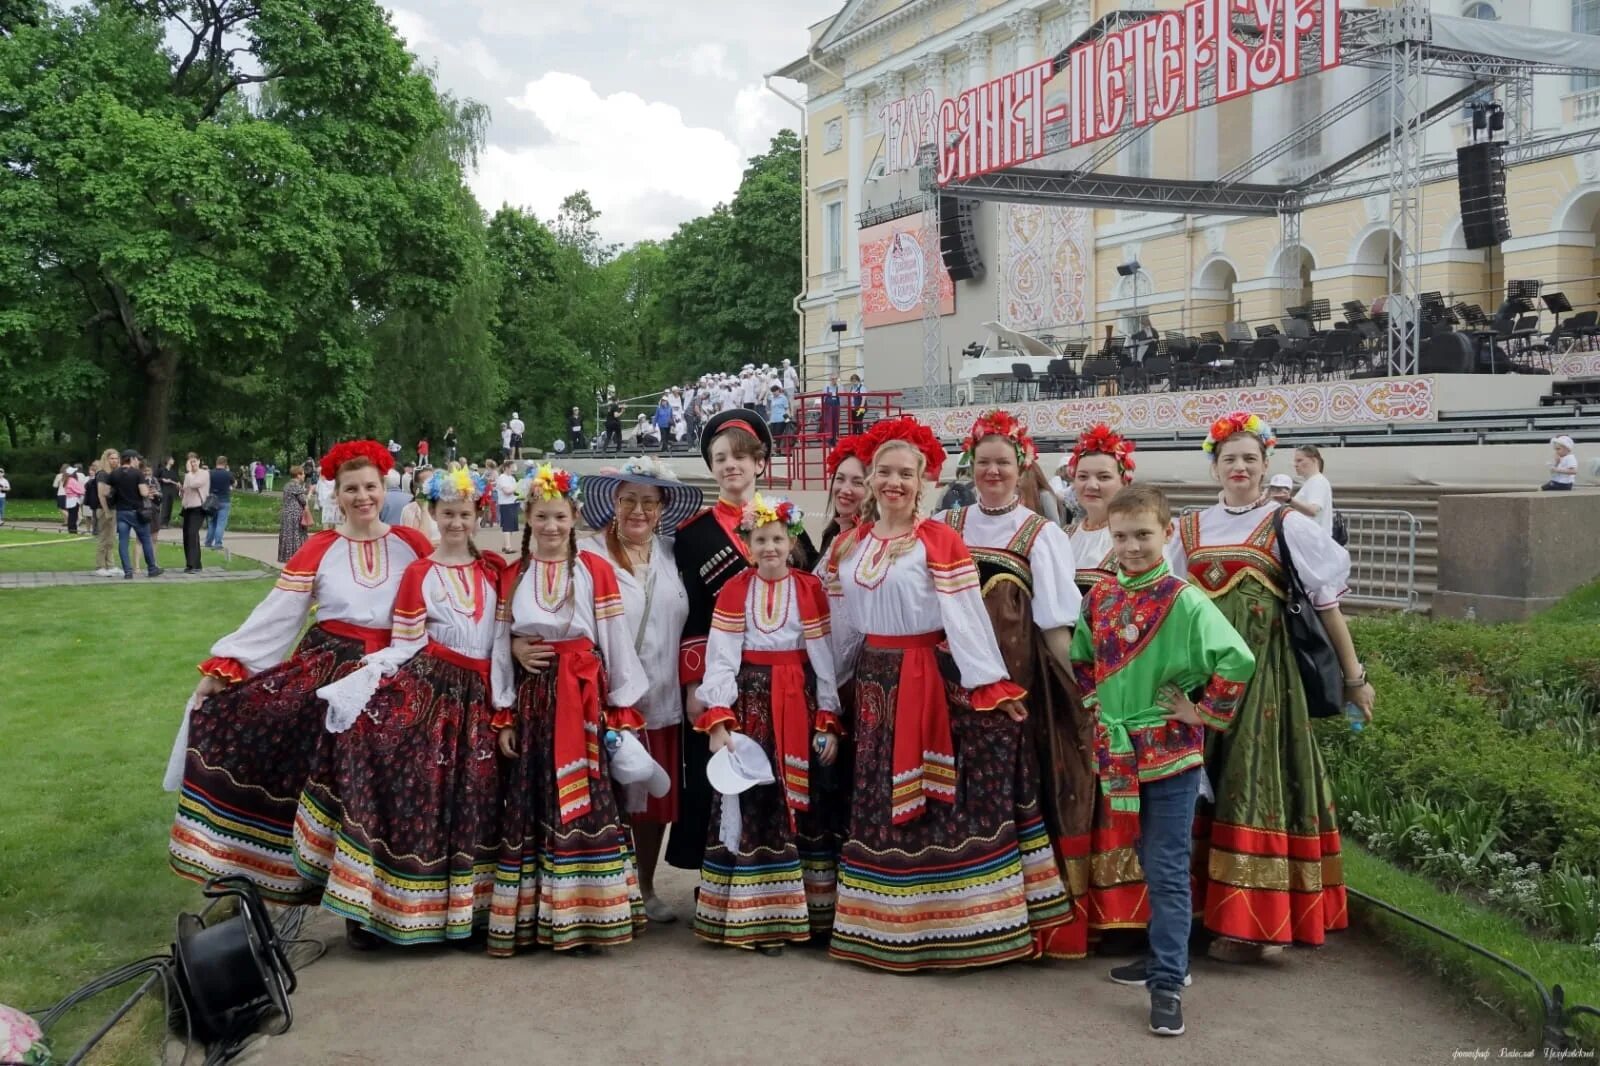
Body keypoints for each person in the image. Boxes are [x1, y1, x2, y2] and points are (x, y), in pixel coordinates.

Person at [823, 417, 1071, 971]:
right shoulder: (847, 547)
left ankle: (957, 926)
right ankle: (882, 927)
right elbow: (840, 627)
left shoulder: (940, 539)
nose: (893, 483)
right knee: (879, 795)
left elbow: (965, 619)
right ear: (868, 482)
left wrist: (989, 685)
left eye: (904, 474)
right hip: (873, 684)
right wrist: (827, 693)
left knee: (942, 799)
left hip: (931, 674)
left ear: (923, 480)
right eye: (882, 473)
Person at [167, 440, 434, 902]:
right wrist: (227, 666)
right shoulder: (320, 548)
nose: (362, 497)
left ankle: (383, 893)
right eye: (352, 488)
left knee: (388, 780)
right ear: (337, 493)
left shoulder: (411, 544)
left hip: (397, 669)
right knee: (308, 763)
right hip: (330, 668)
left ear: (383, 486)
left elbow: (447, 600)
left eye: (370, 486)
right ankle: (309, 876)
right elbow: (279, 614)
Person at [1171, 412, 1374, 960]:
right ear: (1214, 467)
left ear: (1266, 466)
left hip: (1264, 681)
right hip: (1198, 680)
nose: (1239, 467)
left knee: (1252, 784)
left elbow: (1327, 606)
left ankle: (1255, 924)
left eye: (1250, 458)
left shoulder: (1288, 524)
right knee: (1191, 786)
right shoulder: (1188, 530)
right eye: (1229, 458)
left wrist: (1355, 678)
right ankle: (1194, 912)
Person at [296, 469, 508, 949]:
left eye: (464, 514)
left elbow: (500, 641)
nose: (456, 523)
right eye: (447, 514)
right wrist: (363, 686)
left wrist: (505, 699)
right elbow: (405, 644)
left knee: (474, 801)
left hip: (482, 695)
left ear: (478, 517)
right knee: (420, 796)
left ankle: (468, 915)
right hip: (431, 691)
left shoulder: (493, 570)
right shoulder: (419, 572)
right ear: (433, 514)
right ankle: (387, 913)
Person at [1074, 485, 1256, 1038]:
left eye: (1143, 535)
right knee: (1145, 858)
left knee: (1169, 868)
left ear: (1167, 534)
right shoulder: (1101, 597)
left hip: (1171, 757)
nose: (1131, 546)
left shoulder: (1185, 599)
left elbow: (1238, 656)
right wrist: (1097, 711)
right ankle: (1163, 957)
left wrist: (1203, 712)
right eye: (1122, 536)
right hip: (1120, 753)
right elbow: (1083, 658)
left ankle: (1169, 983)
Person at [936, 410, 1096, 959]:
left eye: (1003, 462)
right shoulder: (949, 525)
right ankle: (954, 911)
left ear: (1022, 464)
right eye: (983, 462)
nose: (993, 471)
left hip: (1015, 685)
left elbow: (1055, 620)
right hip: (948, 685)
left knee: (1010, 795)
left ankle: (1016, 921)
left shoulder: (1040, 532)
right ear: (970, 465)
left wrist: (1078, 691)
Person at [490, 464, 651, 955]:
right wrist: (504, 709)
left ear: (574, 516)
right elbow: (500, 643)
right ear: (529, 519)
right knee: (537, 800)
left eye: (560, 517)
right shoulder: (514, 573)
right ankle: (541, 918)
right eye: (542, 517)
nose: (551, 527)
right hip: (536, 700)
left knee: (586, 801)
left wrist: (622, 706)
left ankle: (591, 916)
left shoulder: (596, 570)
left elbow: (617, 642)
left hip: (584, 702)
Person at [666, 410, 818, 875]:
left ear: (759, 463)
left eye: (740, 457)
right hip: (720, 680)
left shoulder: (786, 525)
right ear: (712, 467)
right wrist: (695, 685)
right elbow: (689, 611)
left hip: (782, 678)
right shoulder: (693, 535)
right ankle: (717, 876)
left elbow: (808, 596)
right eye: (720, 458)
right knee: (717, 774)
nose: (731, 466)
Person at [693, 495, 841, 952]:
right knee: (753, 798)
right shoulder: (735, 590)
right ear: (748, 543)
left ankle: (807, 915)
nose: (771, 547)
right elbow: (720, 658)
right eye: (761, 539)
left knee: (801, 800)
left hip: (798, 701)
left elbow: (823, 656)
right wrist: (719, 719)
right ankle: (755, 917)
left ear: (791, 539)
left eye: (778, 538)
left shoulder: (809, 588)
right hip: (752, 706)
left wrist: (828, 715)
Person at [560, 457, 701, 922]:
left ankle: (645, 886)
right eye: (628, 500)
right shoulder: (587, 554)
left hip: (662, 699)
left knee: (655, 803)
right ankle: (607, 896)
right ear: (613, 505)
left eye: (648, 501)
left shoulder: (671, 552)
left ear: (662, 508)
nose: (638, 510)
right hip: (608, 701)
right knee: (611, 800)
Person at [1066, 425, 1138, 594]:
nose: (1091, 485)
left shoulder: (1138, 539)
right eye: (1083, 476)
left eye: (1103, 477)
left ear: (1125, 482)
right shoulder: (1062, 536)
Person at [108, 451, 161, 580]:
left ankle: (127, 571)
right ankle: (152, 569)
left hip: (121, 512)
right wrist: (150, 492)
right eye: (137, 459)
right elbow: (143, 492)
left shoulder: (114, 474)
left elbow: (109, 492)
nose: (139, 462)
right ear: (131, 459)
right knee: (146, 540)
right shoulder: (137, 473)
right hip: (137, 512)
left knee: (123, 542)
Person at [817, 435, 867, 560]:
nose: (844, 490)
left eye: (858, 482)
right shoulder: (831, 533)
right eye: (840, 479)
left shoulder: (874, 542)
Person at [1283, 445, 1335, 533]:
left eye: (1299, 460)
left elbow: (1313, 510)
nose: (1295, 465)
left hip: (1314, 539)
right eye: (1295, 461)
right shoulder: (1312, 482)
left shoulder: (1317, 481)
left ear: (1314, 460)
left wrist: (1289, 499)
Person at [180, 455, 209, 573]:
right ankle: (193, 563)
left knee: (192, 534)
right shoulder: (188, 476)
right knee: (187, 535)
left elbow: (194, 484)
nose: (193, 464)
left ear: (199, 461)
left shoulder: (204, 474)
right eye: (190, 462)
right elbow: (186, 489)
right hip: (187, 508)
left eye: (194, 461)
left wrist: (188, 472)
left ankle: (193, 565)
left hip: (198, 508)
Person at [278, 465, 311, 563]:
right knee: (297, 534)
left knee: (288, 534)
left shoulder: (287, 485)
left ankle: (287, 556)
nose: (304, 476)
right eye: (303, 474)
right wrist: (310, 493)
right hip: (295, 514)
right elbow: (303, 501)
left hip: (286, 513)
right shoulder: (296, 486)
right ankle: (298, 556)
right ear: (298, 475)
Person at [399, 466, 440, 544]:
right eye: (426, 484)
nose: (431, 487)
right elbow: (407, 542)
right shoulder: (407, 509)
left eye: (433, 482)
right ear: (415, 488)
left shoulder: (443, 509)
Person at [204, 456, 233, 550]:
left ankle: (208, 542)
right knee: (221, 523)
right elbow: (234, 483)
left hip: (212, 501)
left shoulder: (210, 473)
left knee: (212, 522)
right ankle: (218, 543)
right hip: (224, 500)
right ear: (225, 463)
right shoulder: (228, 474)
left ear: (216, 462)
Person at [495, 460, 521, 554]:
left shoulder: (512, 478)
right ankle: (508, 547)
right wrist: (517, 485)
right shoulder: (502, 478)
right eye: (512, 468)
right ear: (506, 468)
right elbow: (507, 491)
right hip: (505, 504)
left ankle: (505, 545)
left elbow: (515, 491)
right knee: (507, 526)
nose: (514, 470)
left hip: (513, 502)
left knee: (511, 526)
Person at [768, 386, 790, 455]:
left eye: (775, 391)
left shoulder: (783, 398)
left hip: (781, 418)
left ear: (778, 390)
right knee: (773, 434)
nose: (774, 393)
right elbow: (771, 408)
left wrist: (787, 420)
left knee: (778, 434)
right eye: (773, 391)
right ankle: (776, 449)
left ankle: (778, 450)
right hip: (773, 419)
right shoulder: (772, 398)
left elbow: (786, 409)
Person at [62, 464, 83, 535]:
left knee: (71, 516)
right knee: (74, 517)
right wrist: (83, 491)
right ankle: (73, 531)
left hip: (69, 500)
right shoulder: (72, 480)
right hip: (74, 500)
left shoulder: (66, 480)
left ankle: (71, 530)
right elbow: (79, 490)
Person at [159, 456, 180, 526]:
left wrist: (179, 483)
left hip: (171, 490)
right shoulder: (161, 470)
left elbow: (177, 479)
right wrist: (162, 479)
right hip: (164, 489)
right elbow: (155, 478)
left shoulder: (173, 471)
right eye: (172, 459)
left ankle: (167, 522)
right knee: (164, 506)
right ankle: (162, 523)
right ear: (168, 461)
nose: (173, 461)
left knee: (170, 506)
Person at [52, 463, 68, 530]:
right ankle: (66, 521)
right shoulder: (70, 476)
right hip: (69, 494)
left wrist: (59, 483)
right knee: (66, 508)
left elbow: (54, 485)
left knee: (61, 508)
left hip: (61, 493)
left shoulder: (59, 476)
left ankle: (69, 519)